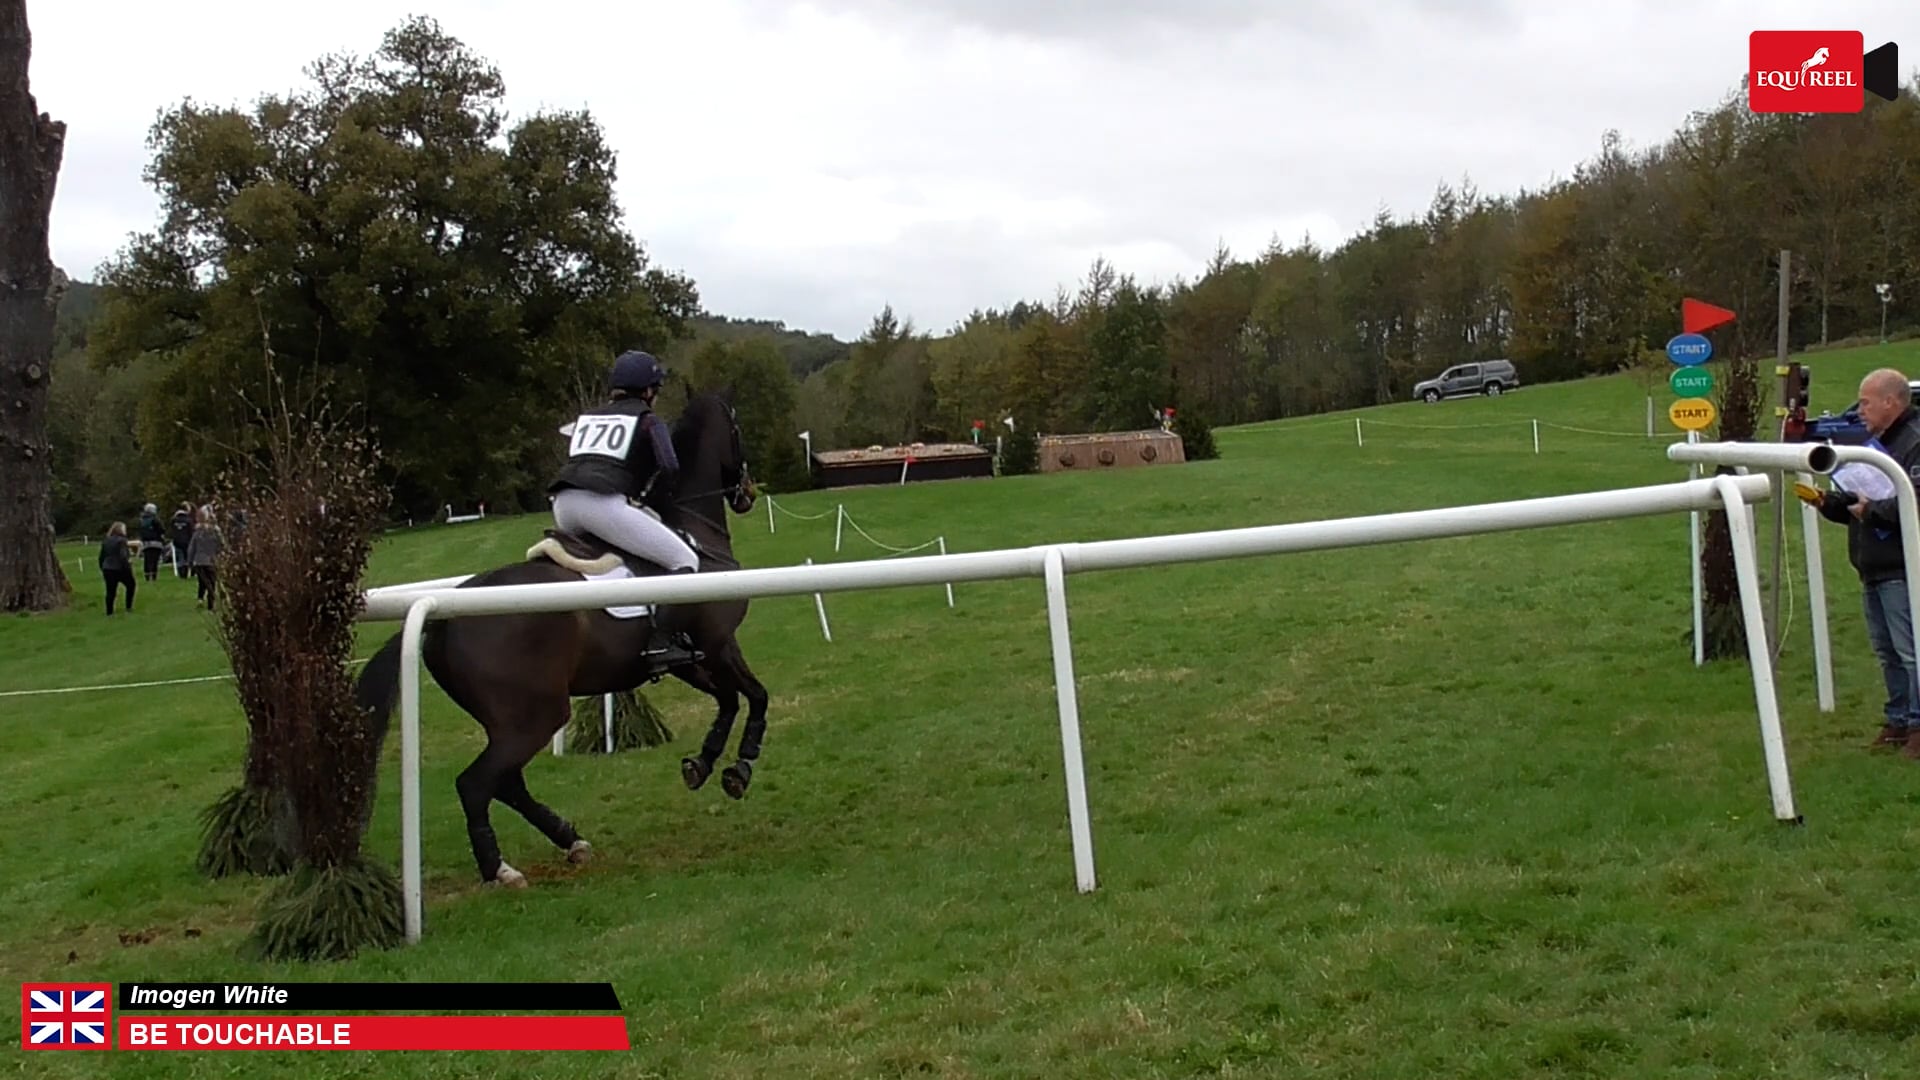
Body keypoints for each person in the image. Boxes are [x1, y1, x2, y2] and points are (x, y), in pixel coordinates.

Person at [547, 350, 700, 666]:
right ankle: (660, 643)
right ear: (648, 391)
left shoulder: (586, 418)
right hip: (600, 503)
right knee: (685, 559)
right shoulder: (647, 420)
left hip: (562, 505)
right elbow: (670, 467)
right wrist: (651, 497)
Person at [1808, 368, 1920, 759]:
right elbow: (1859, 506)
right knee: (1887, 651)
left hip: (1904, 567)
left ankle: (1918, 726)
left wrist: (1871, 509)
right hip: (1871, 563)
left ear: (1892, 402)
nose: (1860, 410)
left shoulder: (1914, 443)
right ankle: (1899, 719)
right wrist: (1831, 503)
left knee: (1911, 651)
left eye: (1866, 402)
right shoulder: (1868, 444)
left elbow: (1912, 504)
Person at [187, 506, 223, 611]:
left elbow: (191, 548)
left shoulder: (197, 532)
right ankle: (211, 604)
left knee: (203, 582)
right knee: (212, 582)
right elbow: (222, 544)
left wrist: (190, 562)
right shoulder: (216, 531)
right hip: (212, 560)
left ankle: (201, 600)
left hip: (199, 561)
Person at [98, 522, 137, 615]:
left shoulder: (106, 541)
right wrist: (128, 565)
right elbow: (123, 555)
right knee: (131, 585)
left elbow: (101, 556)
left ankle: (109, 612)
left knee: (110, 591)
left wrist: (102, 567)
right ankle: (128, 607)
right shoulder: (122, 540)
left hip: (108, 568)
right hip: (120, 568)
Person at [137, 503, 167, 581]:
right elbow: (162, 529)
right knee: (155, 560)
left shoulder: (142, 519)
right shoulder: (155, 519)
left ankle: (147, 575)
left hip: (146, 542)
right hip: (156, 542)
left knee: (147, 559)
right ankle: (154, 576)